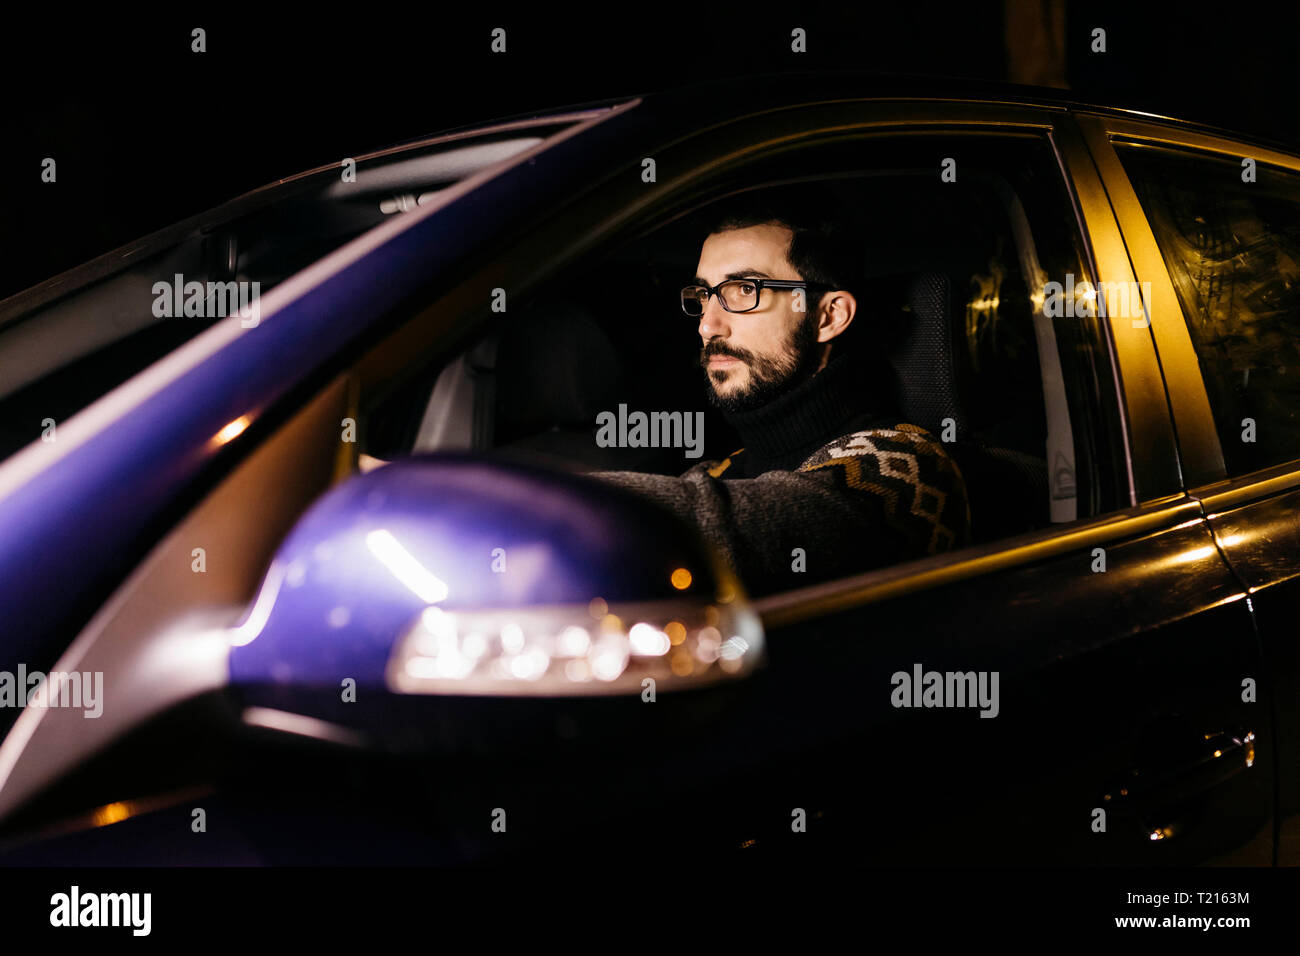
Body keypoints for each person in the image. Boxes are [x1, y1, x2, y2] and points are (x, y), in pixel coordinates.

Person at [591, 192, 971, 596]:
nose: (708, 326)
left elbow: (727, 529)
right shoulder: (724, 471)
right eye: (705, 295)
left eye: (743, 290)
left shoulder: (906, 471)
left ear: (828, 316)